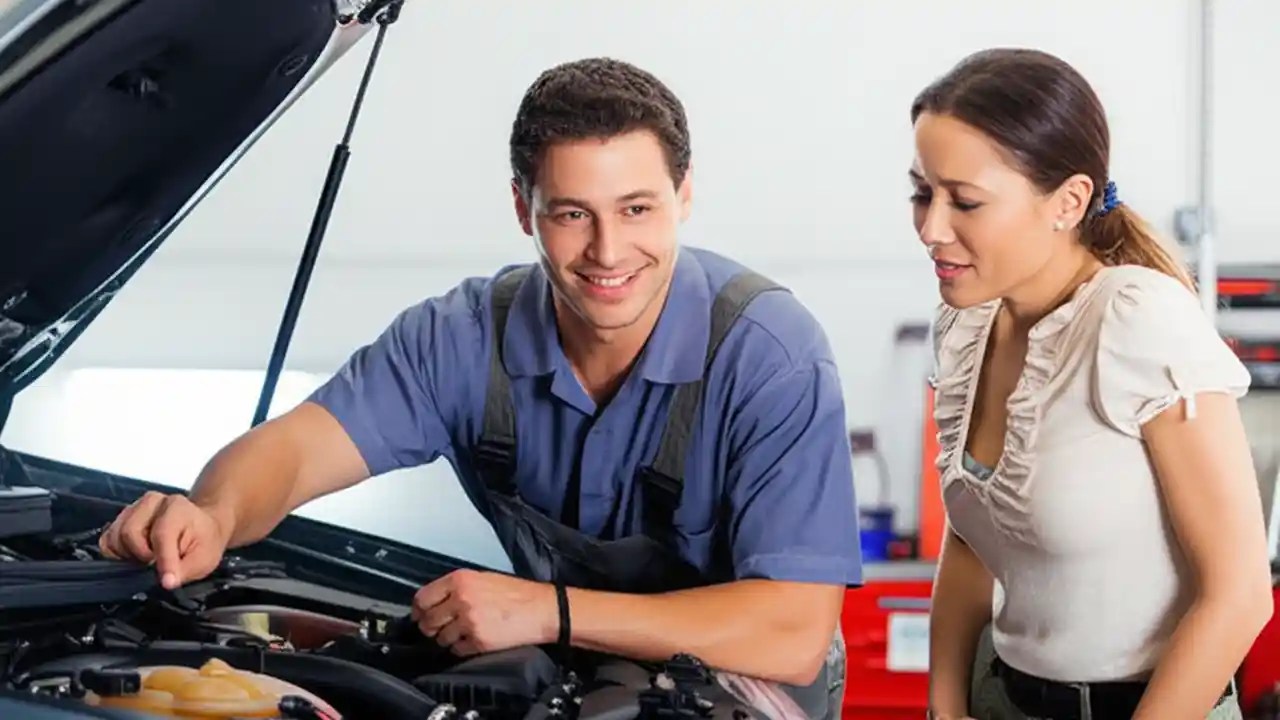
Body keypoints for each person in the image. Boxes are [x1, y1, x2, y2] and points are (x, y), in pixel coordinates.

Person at [96, 56, 861, 717]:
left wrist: (545, 610)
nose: (607, 250)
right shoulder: (459, 338)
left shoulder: (769, 356)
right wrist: (212, 514)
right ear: (522, 207)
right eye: (571, 213)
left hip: (747, 691)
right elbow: (294, 452)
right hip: (573, 670)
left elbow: (790, 633)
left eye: (637, 209)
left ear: (684, 195)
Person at [911, 48, 1272, 720]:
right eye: (921, 192)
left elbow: (1240, 592)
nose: (932, 228)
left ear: (1069, 201)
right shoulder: (966, 322)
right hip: (1002, 697)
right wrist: (945, 707)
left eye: (964, 201)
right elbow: (972, 537)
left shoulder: (1137, 318)